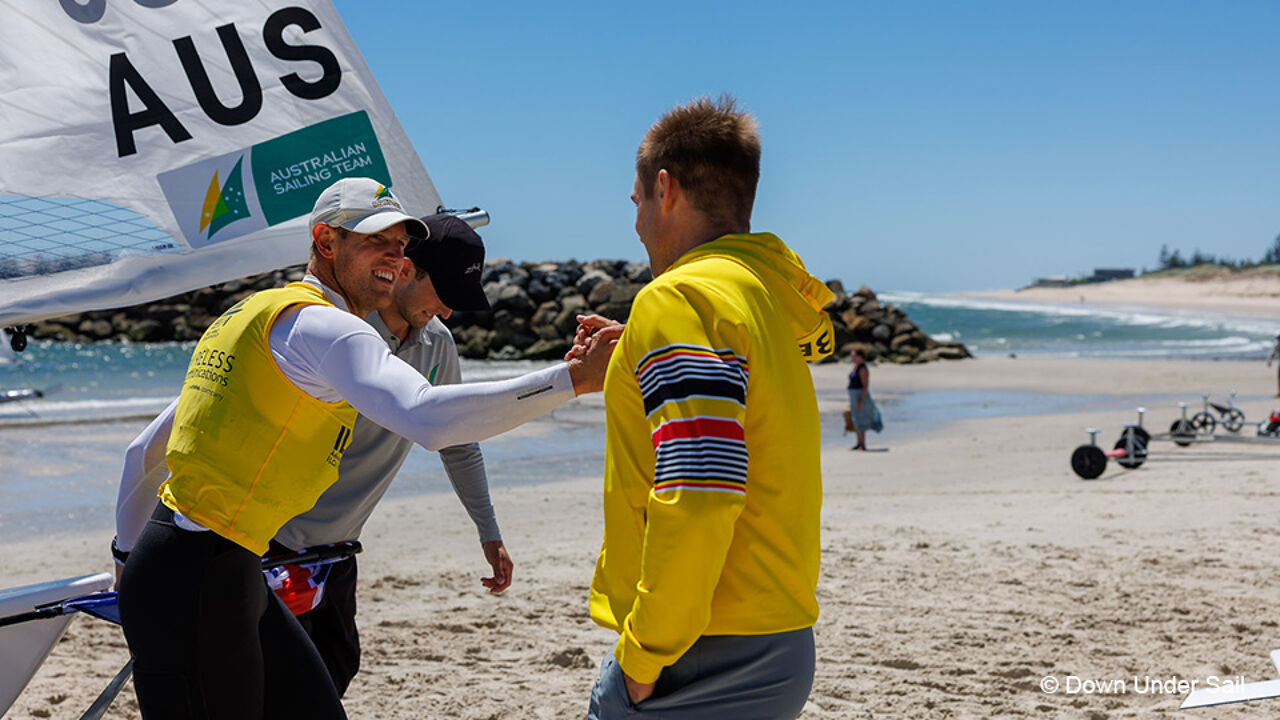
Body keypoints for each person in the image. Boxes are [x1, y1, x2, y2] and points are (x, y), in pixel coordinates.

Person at [116, 177, 621, 720]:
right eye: (374, 240)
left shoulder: (254, 314)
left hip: (216, 564)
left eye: (401, 245)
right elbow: (428, 417)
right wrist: (572, 380)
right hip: (195, 574)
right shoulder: (330, 329)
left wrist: (127, 560)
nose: (393, 256)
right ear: (326, 241)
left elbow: (146, 451)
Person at [112, 211, 509, 696]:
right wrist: (128, 557)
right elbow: (164, 441)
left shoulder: (435, 344)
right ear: (406, 272)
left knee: (333, 673)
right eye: (445, 296)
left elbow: (456, 438)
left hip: (339, 550)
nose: (449, 312)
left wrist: (488, 530)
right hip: (265, 547)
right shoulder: (314, 332)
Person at [581, 96, 834, 719]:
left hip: (702, 648)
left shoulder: (680, 302)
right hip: (778, 634)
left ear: (664, 189)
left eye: (636, 200)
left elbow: (701, 488)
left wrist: (644, 657)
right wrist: (633, 358)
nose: (636, 221)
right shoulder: (759, 295)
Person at [847, 347, 882, 450]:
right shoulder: (855, 367)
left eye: (854, 355)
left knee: (861, 419)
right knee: (856, 419)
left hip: (860, 397)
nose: (852, 357)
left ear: (860, 356)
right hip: (854, 396)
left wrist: (860, 401)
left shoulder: (862, 368)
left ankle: (862, 444)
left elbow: (865, 386)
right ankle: (858, 443)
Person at [1268, 332, 1280, 397]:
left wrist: (1270, 361)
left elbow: (1273, 354)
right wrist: (1270, 361)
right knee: (1279, 378)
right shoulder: (1277, 345)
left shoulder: (1277, 345)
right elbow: (1273, 354)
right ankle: (1279, 393)